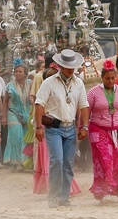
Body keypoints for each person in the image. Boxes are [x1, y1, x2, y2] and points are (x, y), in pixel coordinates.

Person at [34, 49, 90, 207]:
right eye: (67, 67)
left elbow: (84, 105)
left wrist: (84, 126)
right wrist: (38, 127)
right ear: (60, 66)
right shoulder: (49, 82)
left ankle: (64, 198)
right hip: (54, 128)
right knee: (57, 161)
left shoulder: (78, 83)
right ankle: (53, 197)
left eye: (72, 67)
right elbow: (39, 104)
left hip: (70, 128)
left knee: (68, 163)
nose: (70, 70)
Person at [86, 60, 118, 201]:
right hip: (98, 129)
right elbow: (85, 110)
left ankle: (115, 190)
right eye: (107, 78)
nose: (110, 81)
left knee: (117, 161)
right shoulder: (93, 92)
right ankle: (103, 189)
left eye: (112, 78)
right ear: (102, 78)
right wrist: (83, 127)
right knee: (106, 159)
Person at [2, 60, 30, 168]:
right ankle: (16, 162)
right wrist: (4, 116)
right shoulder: (10, 85)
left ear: (25, 73)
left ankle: (24, 161)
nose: (18, 73)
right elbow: (5, 101)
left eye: (20, 72)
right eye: (16, 72)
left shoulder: (30, 84)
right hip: (13, 113)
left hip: (27, 113)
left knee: (25, 137)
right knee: (17, 135)